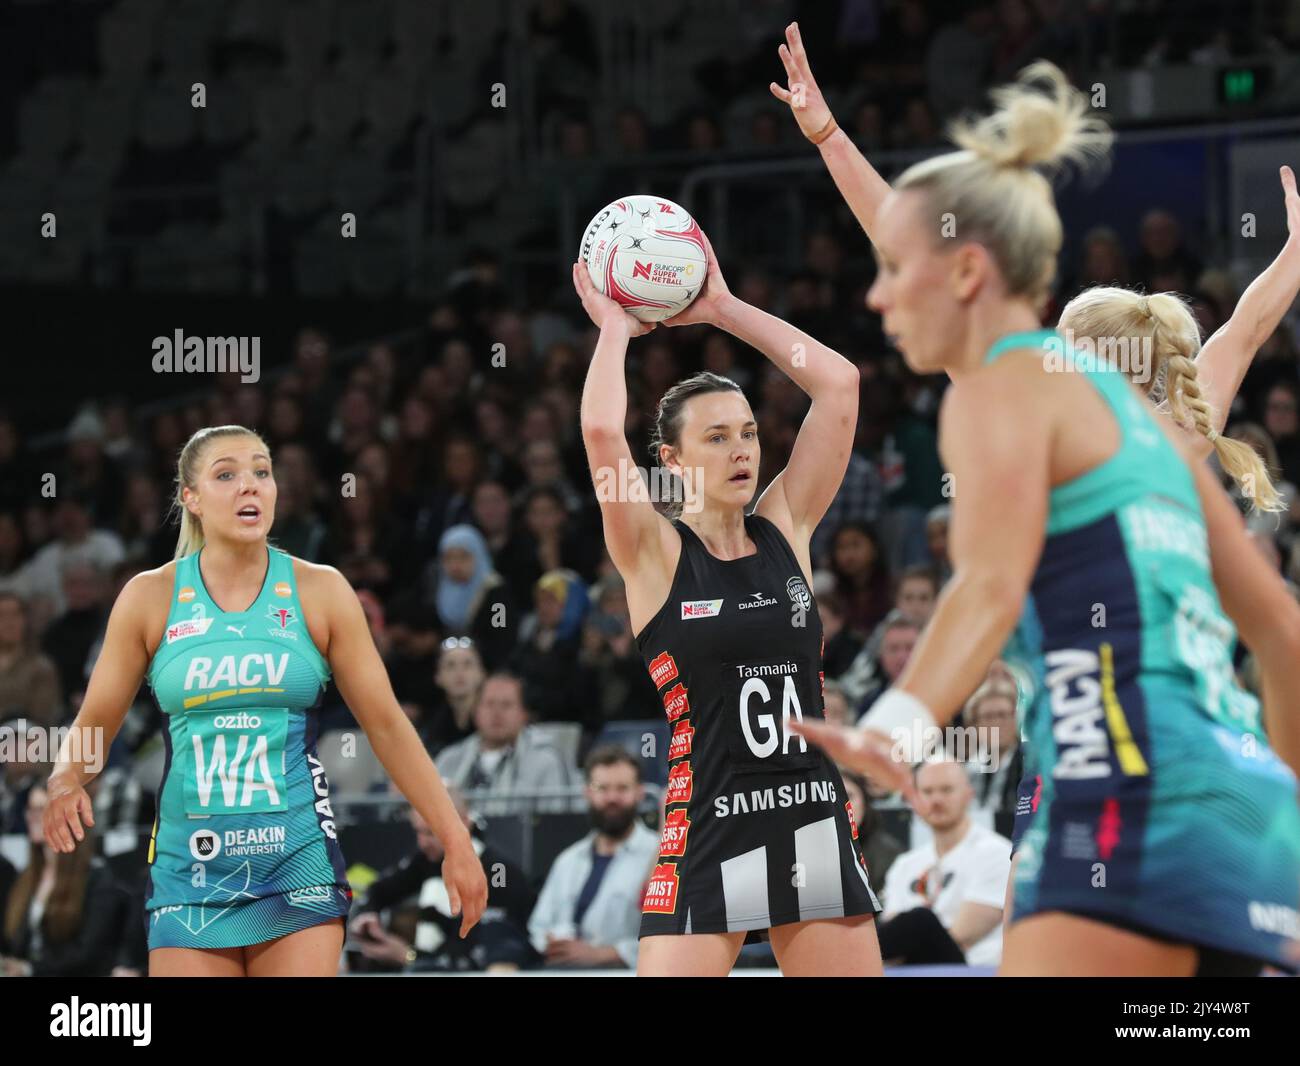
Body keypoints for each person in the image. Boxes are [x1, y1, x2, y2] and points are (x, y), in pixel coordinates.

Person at [785, 55, 1300, 975]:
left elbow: (987, 588)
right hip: (1241, 801)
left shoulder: (1010, 392)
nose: (877, 294)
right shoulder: (1166, 445)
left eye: (895, 270)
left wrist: (897, 723)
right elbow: (1284, 634)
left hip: (1126, 788)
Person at [43, 425, 487, 977]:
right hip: (189, 868)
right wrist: (64, 777)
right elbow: (95, 722)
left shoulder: (321, 590)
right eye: (226, 474)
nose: (249, 485)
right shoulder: (149, 596)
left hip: (297, 863)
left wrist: (454, 838)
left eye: (261, 471)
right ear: (192, 498)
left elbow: (388, 726)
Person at [574, 221, 883, 979]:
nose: (742, 449)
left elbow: (839, 385)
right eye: (716, 438)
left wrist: (723, 308)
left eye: (747, 432)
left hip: (811, 812)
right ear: (672, 460)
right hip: (710, 819)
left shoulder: (787, 525)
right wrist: (614, 326)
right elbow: (600, 431)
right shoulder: (653, 553)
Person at [349, 792, 535, 973]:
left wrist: (408, 956)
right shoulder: (427, 860)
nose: (422, 843)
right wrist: (367, 917)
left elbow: (488, 945)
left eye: (431, 833)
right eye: (418, 832)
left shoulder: (498, 870)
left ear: (464, 824)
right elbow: (379, 891)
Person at [528, 747, 659, 970]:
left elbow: (667, 936)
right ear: (587, 792)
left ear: (639, 792)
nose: (612, 798)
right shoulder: (568, 860)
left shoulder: (659, 855)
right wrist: (552, 943)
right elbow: (538, 925)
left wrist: (603, 954)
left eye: (622, 788)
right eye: (602, 788)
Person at [876, 760, 1011, 968]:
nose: (936, 800)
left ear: (969, 794)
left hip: (969, 969)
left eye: (946, 790)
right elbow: (891, 933)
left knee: (920, 922)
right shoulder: (905, 864)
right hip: (908, 970)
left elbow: (962, 937)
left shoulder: (997, 853)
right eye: (927, 792)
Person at [2, 784, 128, 977]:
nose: (31, 817)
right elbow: (13, 940)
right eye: (30, 809)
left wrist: (30, 969)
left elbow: (88, 954)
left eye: (41, 809)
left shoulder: (96, 880)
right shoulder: (26, 877)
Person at [434, 671, 572, 816]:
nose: (497, 713)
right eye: (489, 704)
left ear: (524, 714)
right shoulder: (449, 760)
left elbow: (555, 821)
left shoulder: (545, 762)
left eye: (506, 705)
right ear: (475, 711)